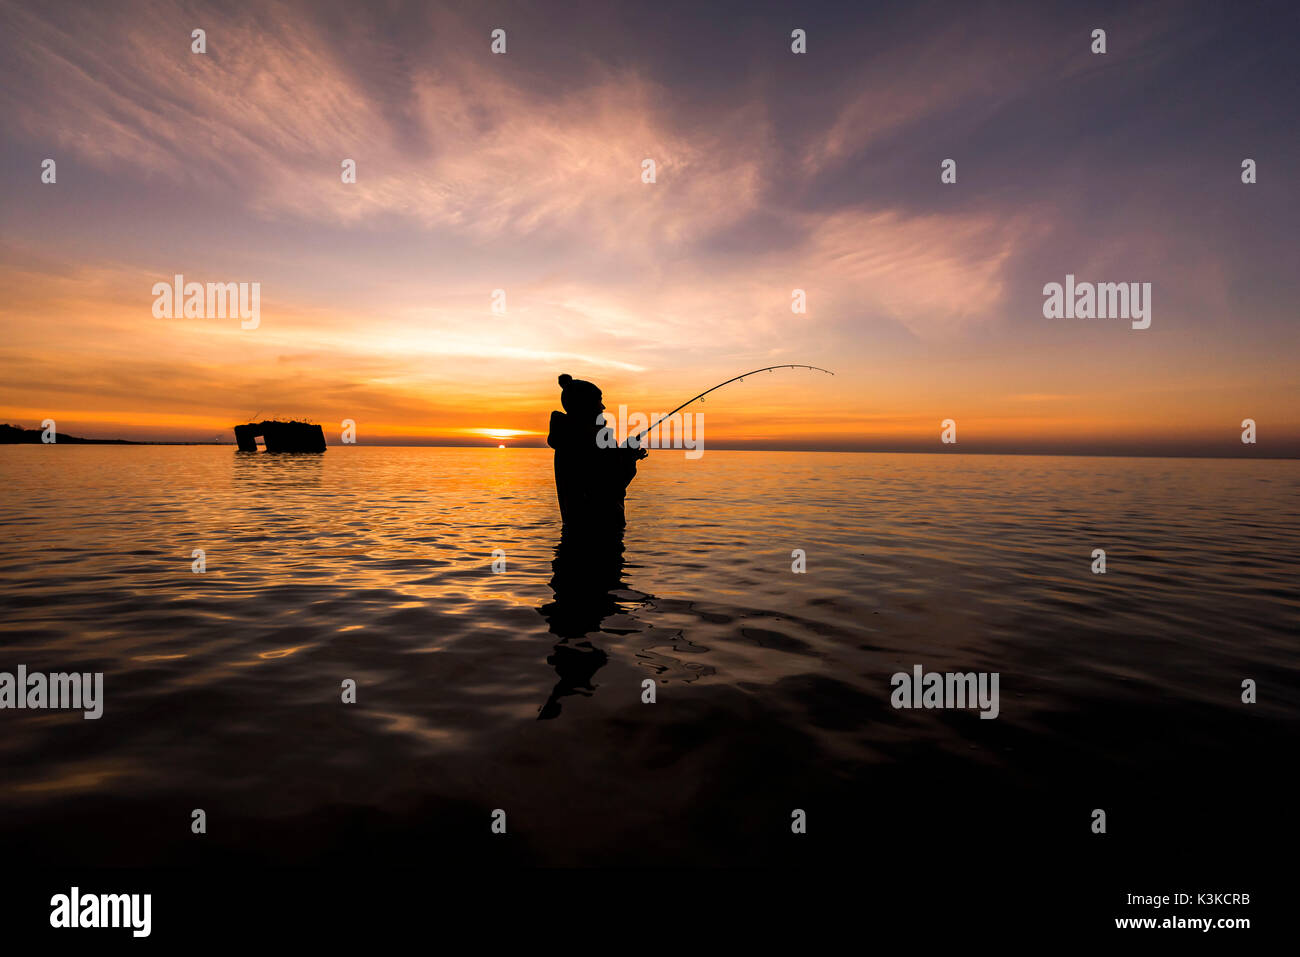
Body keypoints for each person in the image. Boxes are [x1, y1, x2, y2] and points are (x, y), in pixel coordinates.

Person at [546, 373, 646, 530]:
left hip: (575, 528)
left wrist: (625, 454)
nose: (603, 407)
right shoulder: (591, 440)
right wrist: (628, 458)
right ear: (586, 405)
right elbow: (612, 485)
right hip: (601, 530)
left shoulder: (568, 437)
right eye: (599, 401)